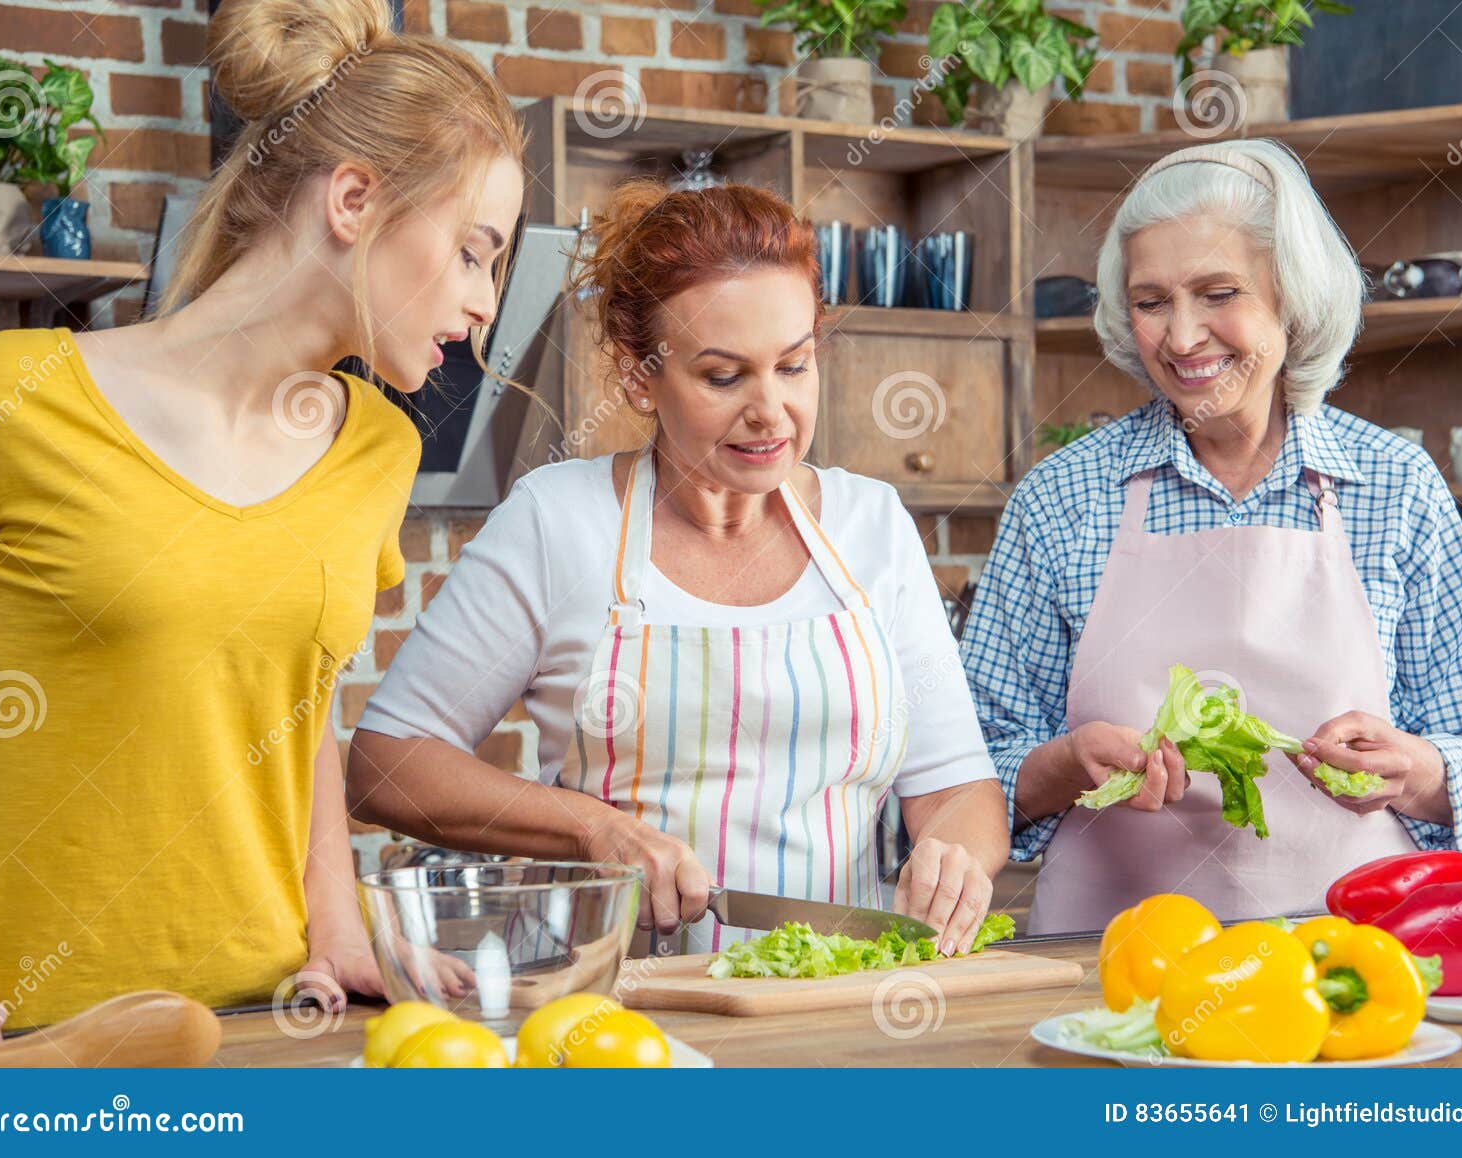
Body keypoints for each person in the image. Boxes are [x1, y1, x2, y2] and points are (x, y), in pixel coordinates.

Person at [0, 0, 524, 1037]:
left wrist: (338, 926)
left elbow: (294, 708)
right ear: (353, 198)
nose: (485, 299)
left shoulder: (375, 450)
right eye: (474, 251)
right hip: (19, 1035)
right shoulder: (3, 399)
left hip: (270, 1021)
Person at [348, 179, 1010, 956]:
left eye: (794, 367)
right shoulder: (559, 523)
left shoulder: (873, 529)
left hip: (835, 998)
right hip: (613, 1007)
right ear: (640, 376)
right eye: (724, 377)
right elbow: (387, 765)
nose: (771, 412)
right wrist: (595, 829)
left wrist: (954, 858)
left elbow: (959, 789)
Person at [961, 139, 1462, 935]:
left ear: (1292, 299)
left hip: (1351, 961)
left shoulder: (1395, 487)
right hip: (1104, 969)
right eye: (1152, 300)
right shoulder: (1064, 498)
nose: (1183, 336)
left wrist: (1415, 771)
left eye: (1218, 292)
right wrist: (1060, 767)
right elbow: (962, 773)